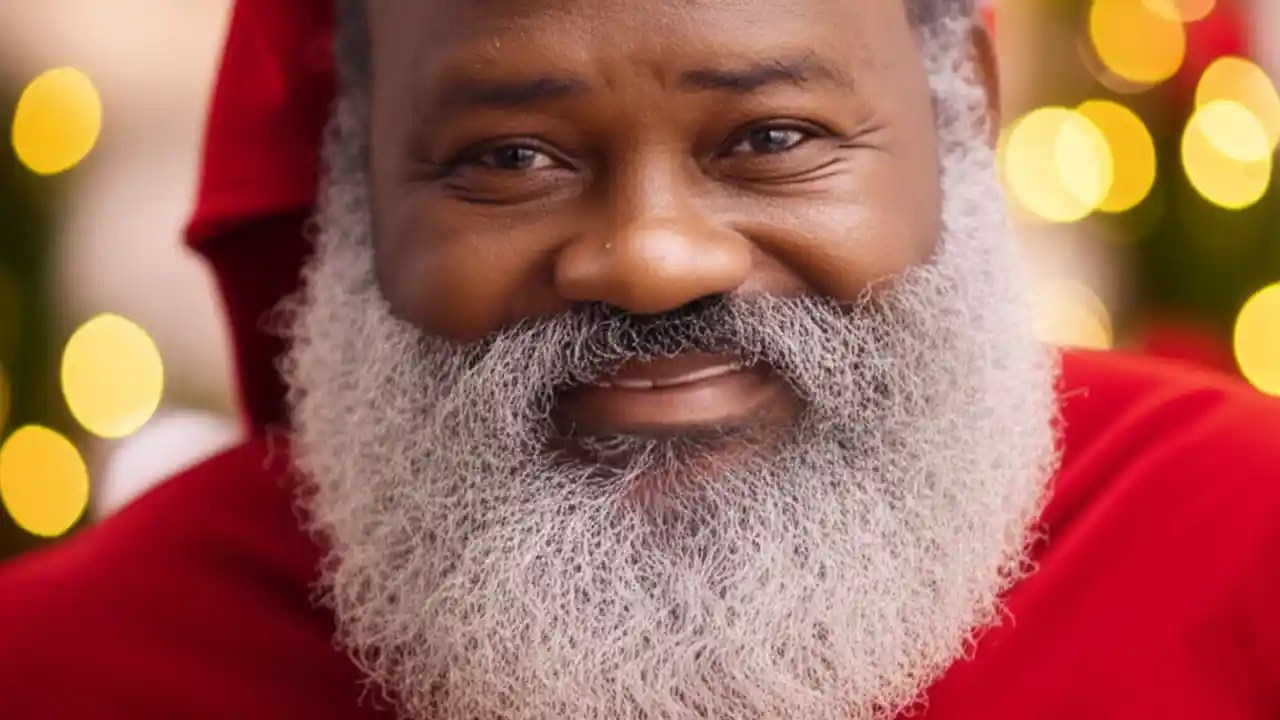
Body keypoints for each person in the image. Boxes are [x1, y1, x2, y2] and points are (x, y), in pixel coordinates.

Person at [1, 0, 1277, 717]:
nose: (651, 260)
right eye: (509, 158)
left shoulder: (1240, 547)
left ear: (962, 122)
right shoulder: (71, 676)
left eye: (772, 136)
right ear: (352, 191)